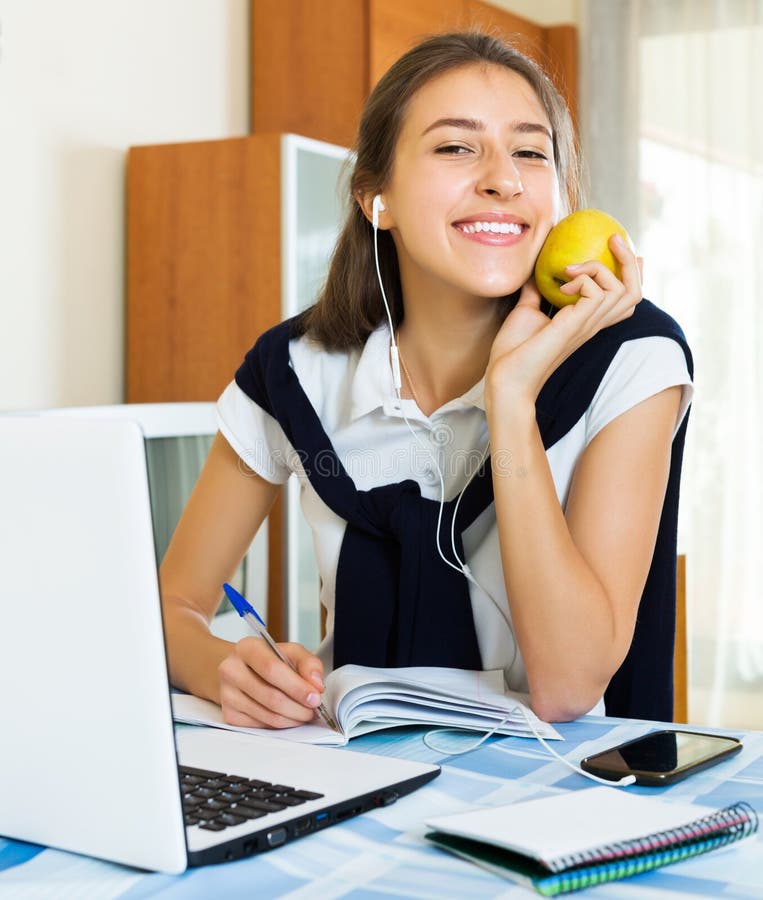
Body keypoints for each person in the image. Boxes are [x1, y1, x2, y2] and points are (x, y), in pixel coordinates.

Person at [159, 32, 692, 727]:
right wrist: (223, 669)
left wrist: (510, 397)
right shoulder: (294, 370)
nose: (504, 177)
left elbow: (567, 683)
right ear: (375, 197)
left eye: (530, 151)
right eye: (455, 146)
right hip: (343, 770)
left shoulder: (633, 357)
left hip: (563, 797)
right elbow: (173, 606)